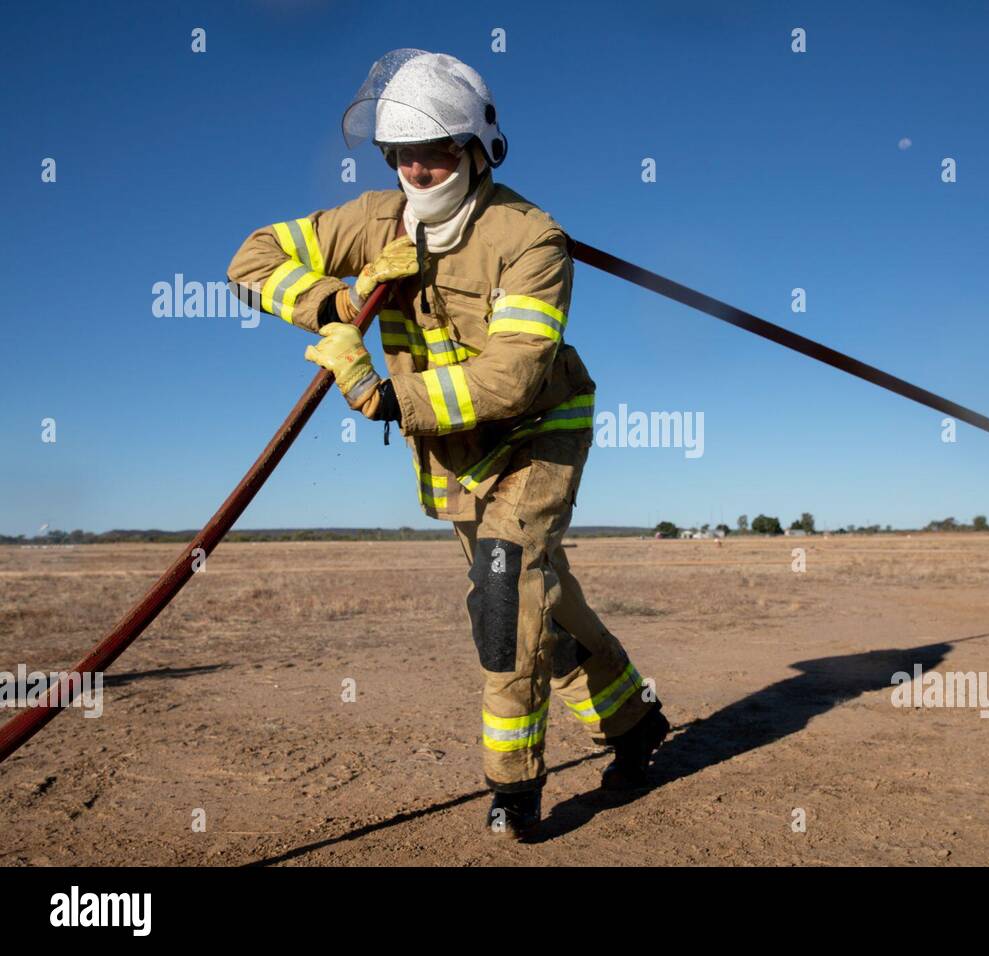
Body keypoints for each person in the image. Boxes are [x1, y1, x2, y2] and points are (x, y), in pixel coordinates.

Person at [227, 49, 668, 838]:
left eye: (435, 152)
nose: (418, 170)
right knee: (546, 606)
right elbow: (251, 260)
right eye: (402, 155)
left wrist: (376, 392)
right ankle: (634, 723)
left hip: (538, 433)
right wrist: (341, 298)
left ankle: (514, 789)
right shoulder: (369, 222)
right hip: (456, 453)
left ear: (477, 148)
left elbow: (512, 378)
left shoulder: (533, 239)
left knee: (504, 594)